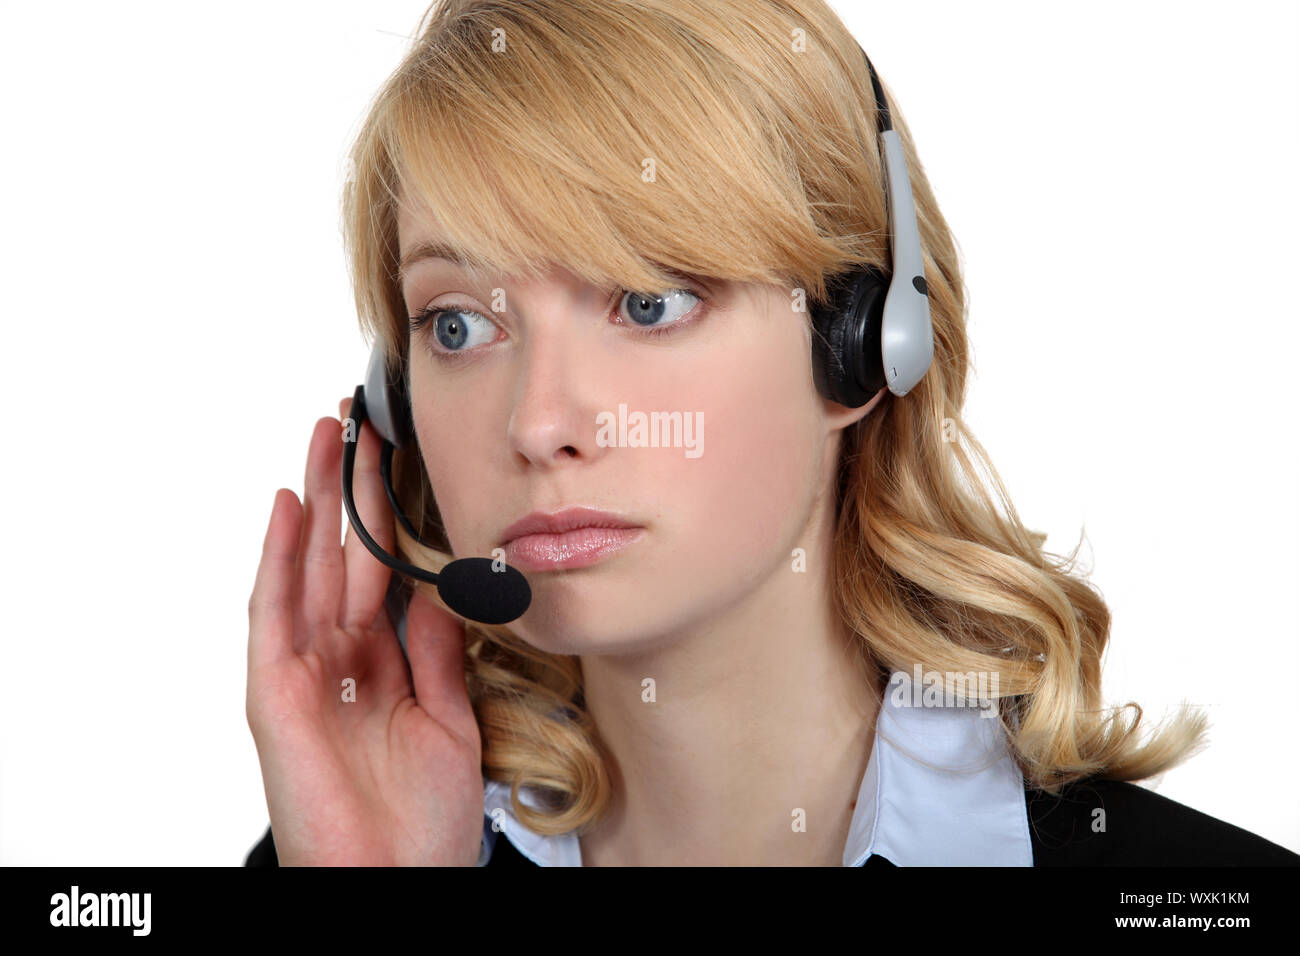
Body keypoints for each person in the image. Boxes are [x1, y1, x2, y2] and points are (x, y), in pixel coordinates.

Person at [243, 0, 1298, 866]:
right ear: (393, 392)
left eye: (649, 302)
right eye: (459, 324)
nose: (538, 423)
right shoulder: (352, 849)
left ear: (862, 339)